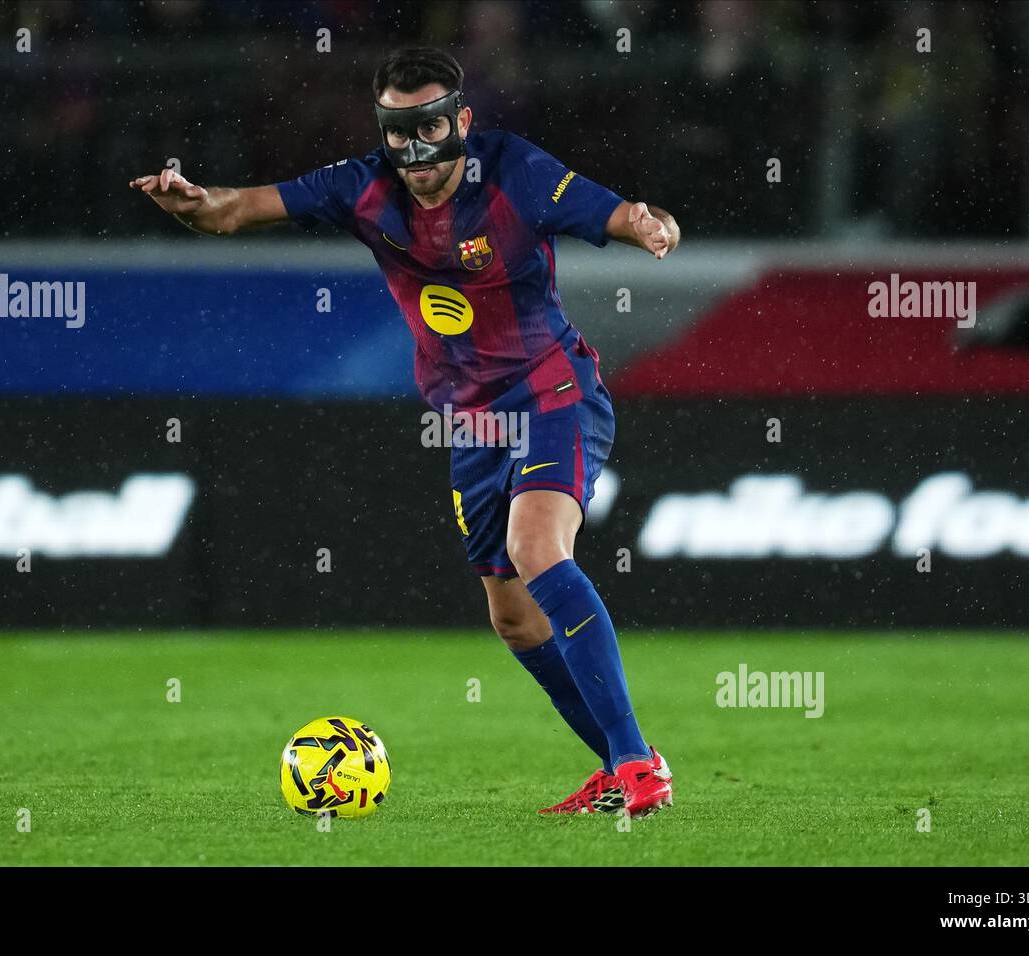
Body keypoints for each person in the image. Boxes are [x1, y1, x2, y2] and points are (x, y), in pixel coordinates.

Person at [130, 47, 680, 817]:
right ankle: (625, 762)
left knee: (536, 550)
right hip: (471, 421)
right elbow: (235, 209)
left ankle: (634, 765)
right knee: (513, 616)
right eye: (398, 131)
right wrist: (189, 201)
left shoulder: (515, 171)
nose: (416, 152)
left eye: (429, 128)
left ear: (461, 120)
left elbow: (618, 213)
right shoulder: (361, 188)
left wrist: (649, 225)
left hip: (552, 392)